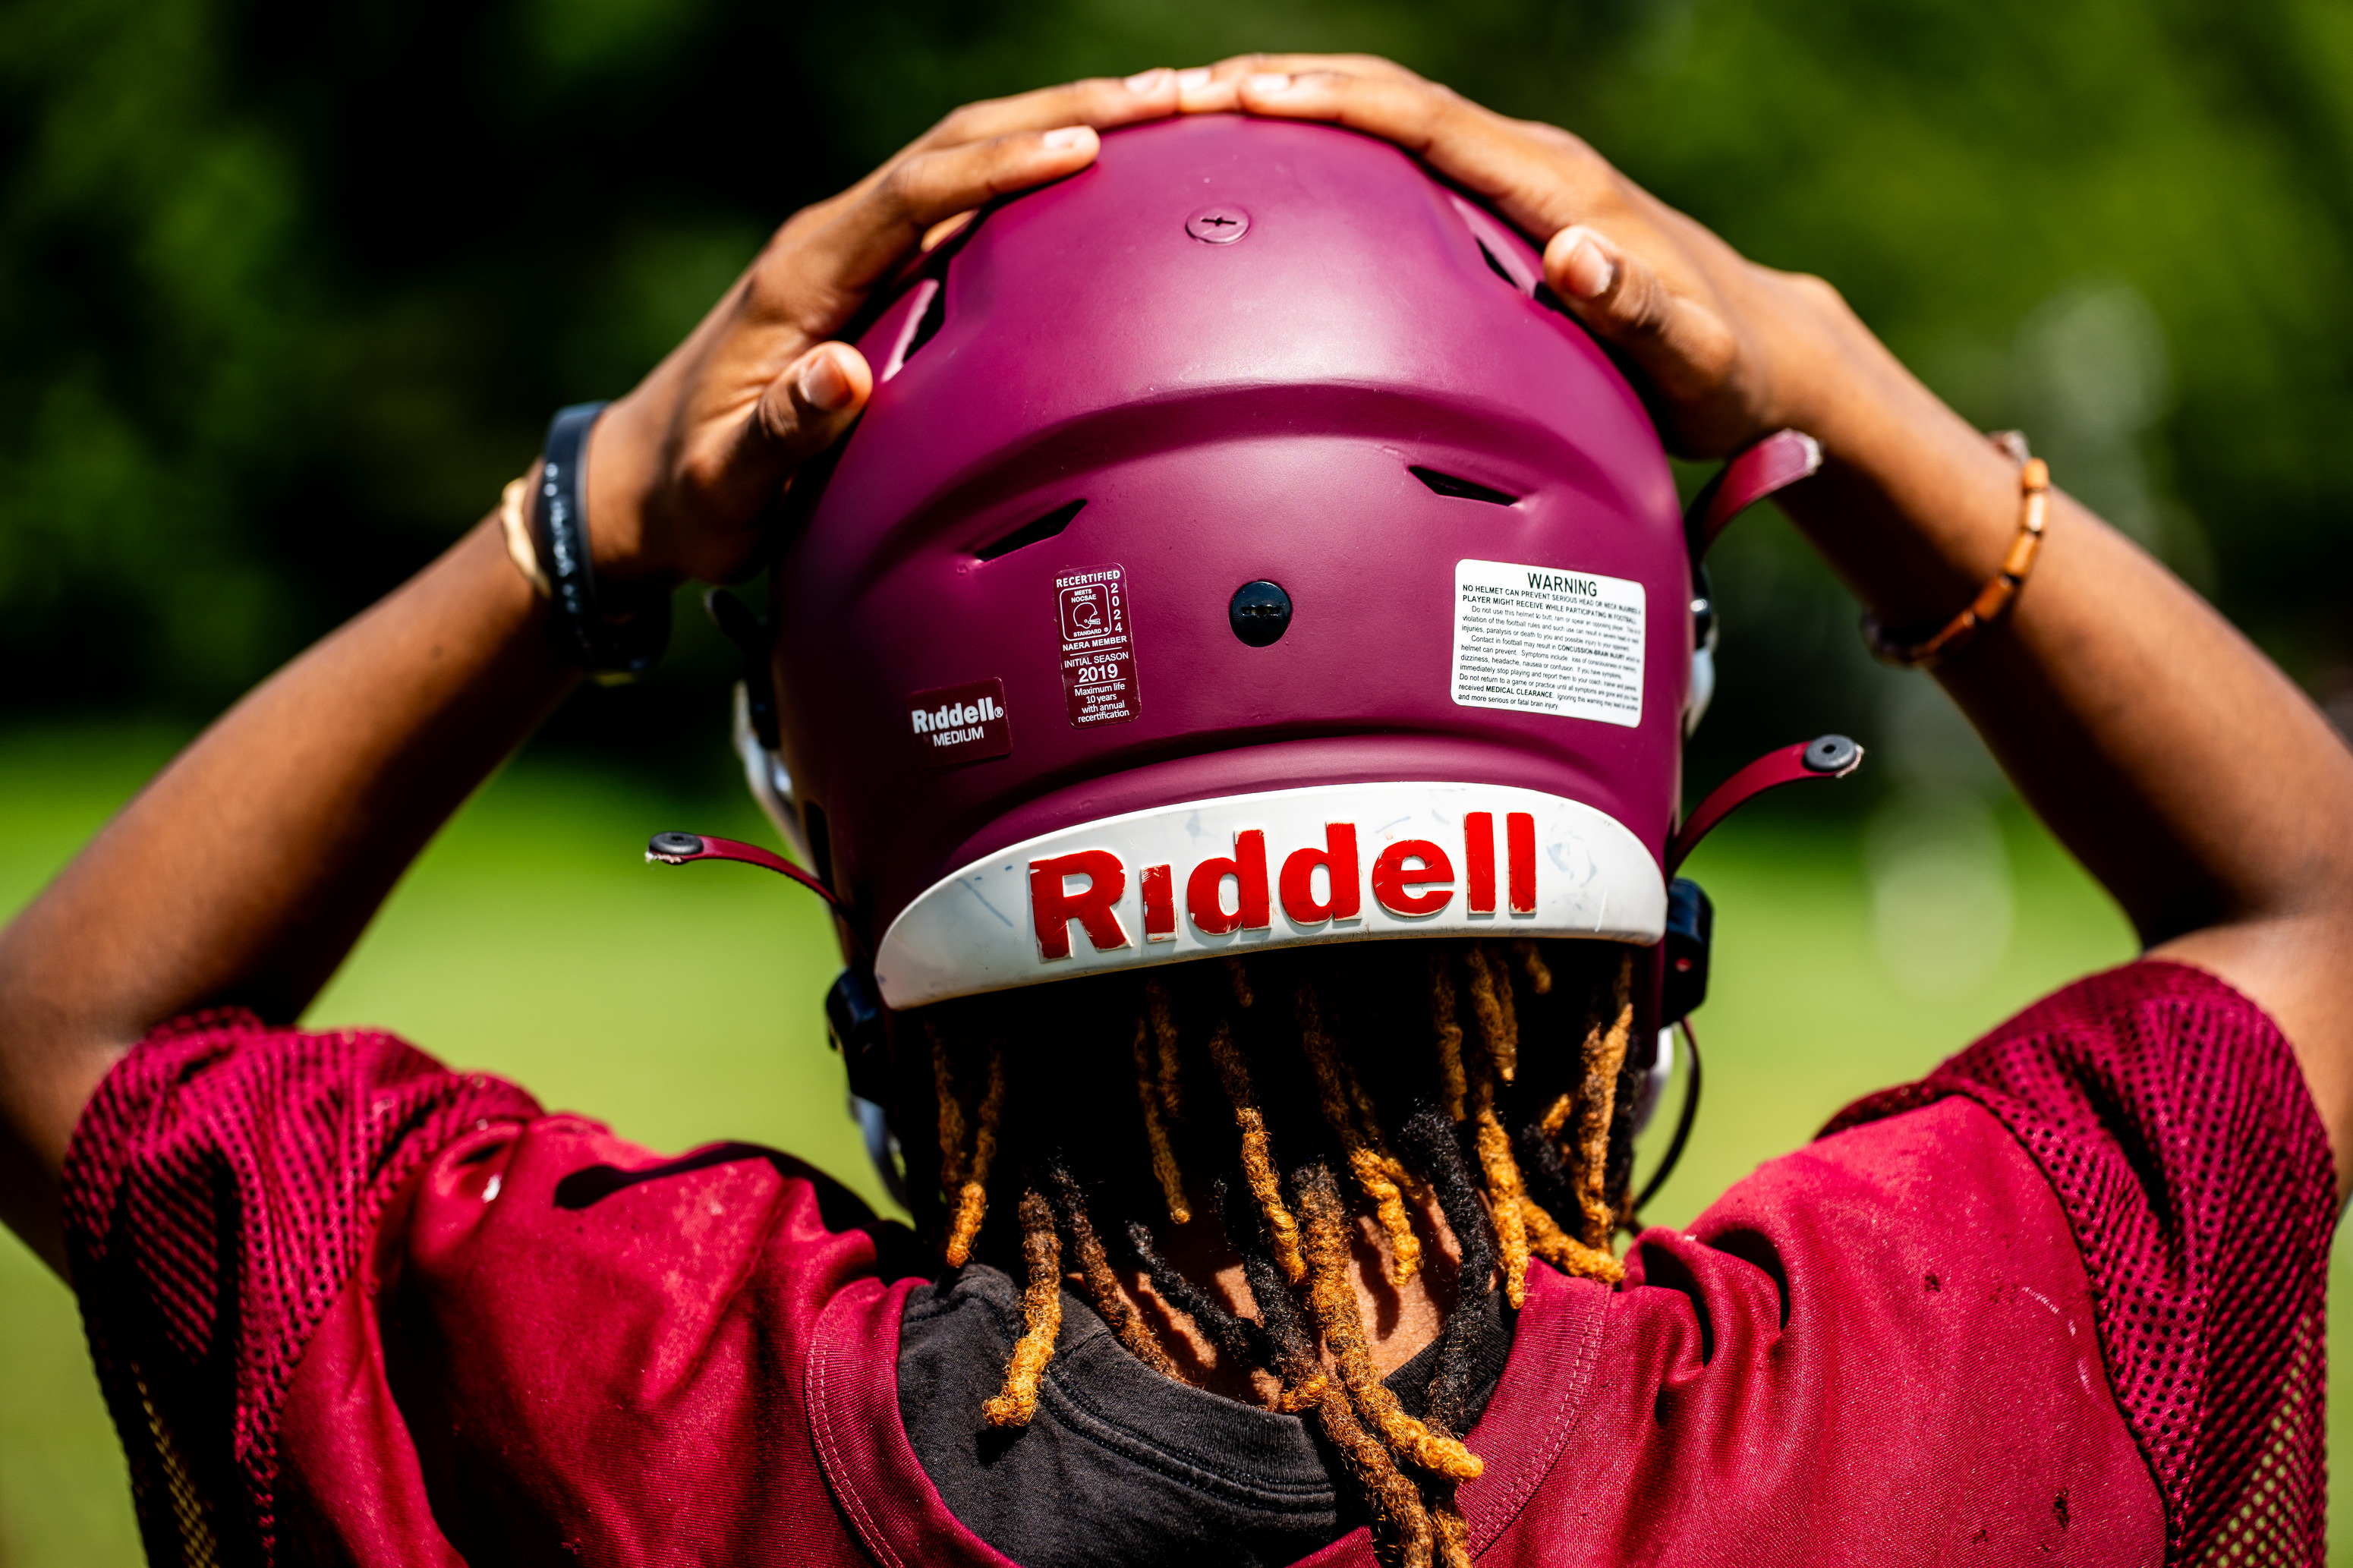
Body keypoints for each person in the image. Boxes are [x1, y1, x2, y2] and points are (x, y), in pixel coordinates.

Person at [0, 52, 2346, 1568]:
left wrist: (592, 510)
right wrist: (1823, 373)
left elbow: (72, 1035)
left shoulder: (623, 1409)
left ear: (857, 815)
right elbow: (2313, 890)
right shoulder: (1891, 1397)